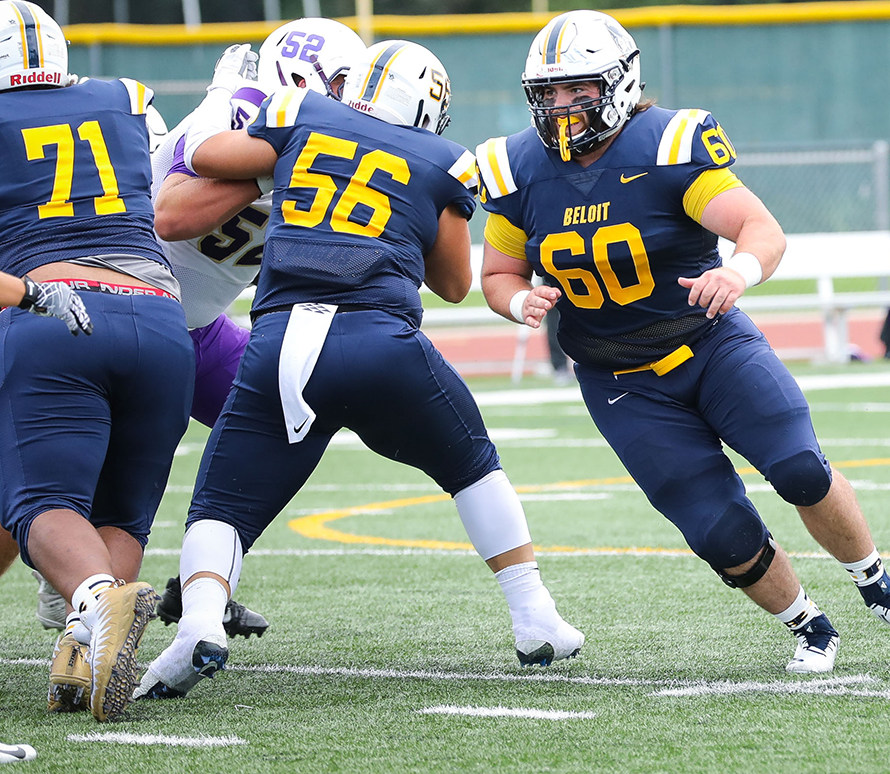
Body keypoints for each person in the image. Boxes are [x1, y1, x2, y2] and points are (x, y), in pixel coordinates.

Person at [476, 10, 890, 674]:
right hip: (618, 380)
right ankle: (810, 626)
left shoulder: (666, 145)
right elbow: (497, 273)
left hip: (711, 343)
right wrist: (516, 300)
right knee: (717, 529)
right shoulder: (518, 167)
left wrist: (737, 272)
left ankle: (879, 587)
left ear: (619, 83)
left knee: (798, 467)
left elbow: (761, 228)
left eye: (577, 89)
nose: (561, 106)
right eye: (548, 93)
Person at [136, 40, 581, 701]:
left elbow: (203, 155)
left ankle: (200, 622)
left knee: (222, 502)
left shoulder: (301, 113)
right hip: (381, 341)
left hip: (282, 342)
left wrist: (271, 141)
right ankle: (534, 615)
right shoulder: (443, 158)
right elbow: (453, 283)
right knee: (472, 465)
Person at [144, 18, 371, 641]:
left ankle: (203, 579)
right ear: (301, 78)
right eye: (343, 83)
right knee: (107, 476)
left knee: (295, 420)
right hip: (138, 318)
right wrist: (274, 170)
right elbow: (171, 214)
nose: (353, 99)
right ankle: (84, 589)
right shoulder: (234, 115)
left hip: (197, 327)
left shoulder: (315, 141)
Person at [0, 0, 195, 722]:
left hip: (57, 317)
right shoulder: (128, 100)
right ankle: (82, 656)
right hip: (159, 318)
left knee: (42, 502)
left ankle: (94, 601)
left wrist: (28, 292)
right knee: (122, 512)